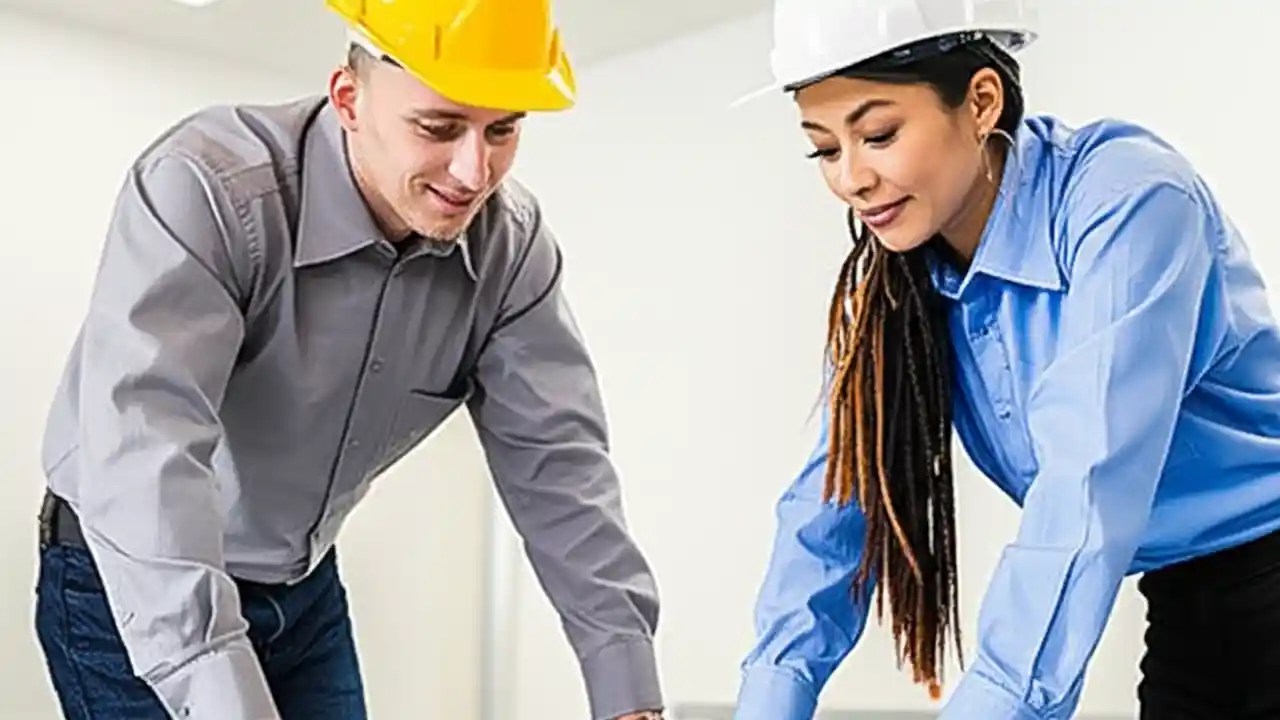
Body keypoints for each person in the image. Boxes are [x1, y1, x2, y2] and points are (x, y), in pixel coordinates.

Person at [34, 1, 665, 719]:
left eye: (504, 130)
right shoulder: (207, 189)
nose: (474, 171)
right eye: (439, 127)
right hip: (131, 578)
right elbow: (146, 448)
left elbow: (560, 468)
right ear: (349, 98)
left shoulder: (509, 252)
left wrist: (628, 693)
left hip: (302, 589)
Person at [732, 0, 1280, 718]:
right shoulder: (901, 284)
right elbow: (830, 505)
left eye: (878, 133)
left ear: (981, 100)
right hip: (1183, 601)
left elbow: (1086, 481)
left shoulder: (1127, 202)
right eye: (826, 149)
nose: (851, 179)